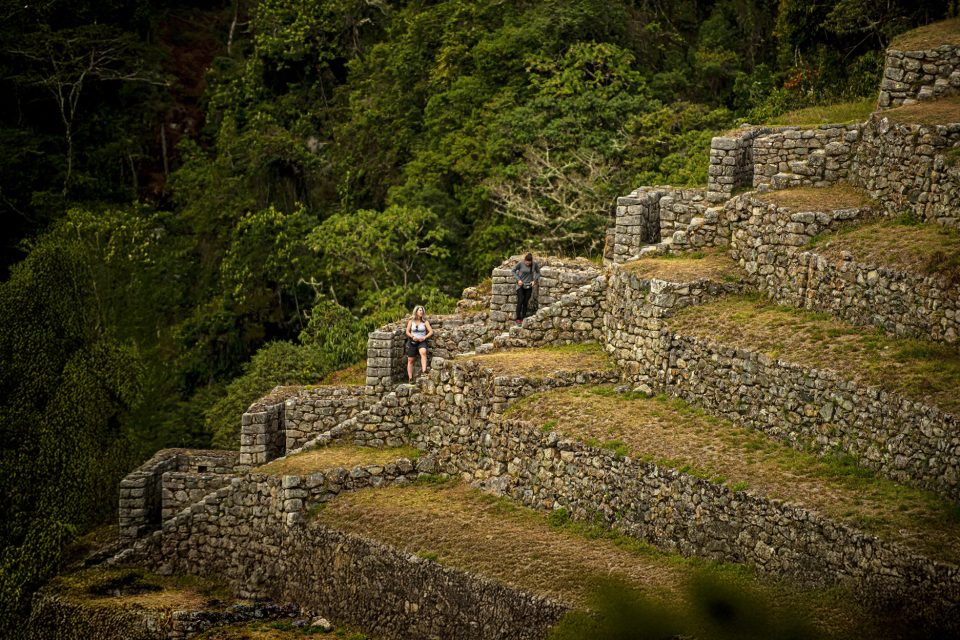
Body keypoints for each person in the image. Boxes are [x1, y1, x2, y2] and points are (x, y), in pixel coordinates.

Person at [405, 305, 434, 381]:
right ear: (416, 311)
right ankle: (410, 378)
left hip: (422, 341)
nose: (421, 312)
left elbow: (431, 331)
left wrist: (425, 337)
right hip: (413, 341)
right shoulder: (411, 321)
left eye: (422, 311)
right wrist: (412, 336)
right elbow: (407, 331)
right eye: (420, 310)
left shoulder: (425, 322)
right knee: (410, 360)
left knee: (423, 352)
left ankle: (424, 371)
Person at [511, 252, 541, 325]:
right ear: (524, 260)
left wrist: (534, 280)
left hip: (529, 285)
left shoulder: (534, 264)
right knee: (520, 300)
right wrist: (519, 280)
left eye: (529, 262)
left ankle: (523, 318)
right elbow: (513, 271)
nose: (527, 264)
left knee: (525, 302)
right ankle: (518, 318)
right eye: (526, 262)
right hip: (520, 285)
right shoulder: (520, 263)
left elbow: (538, 272)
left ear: (531, 261)